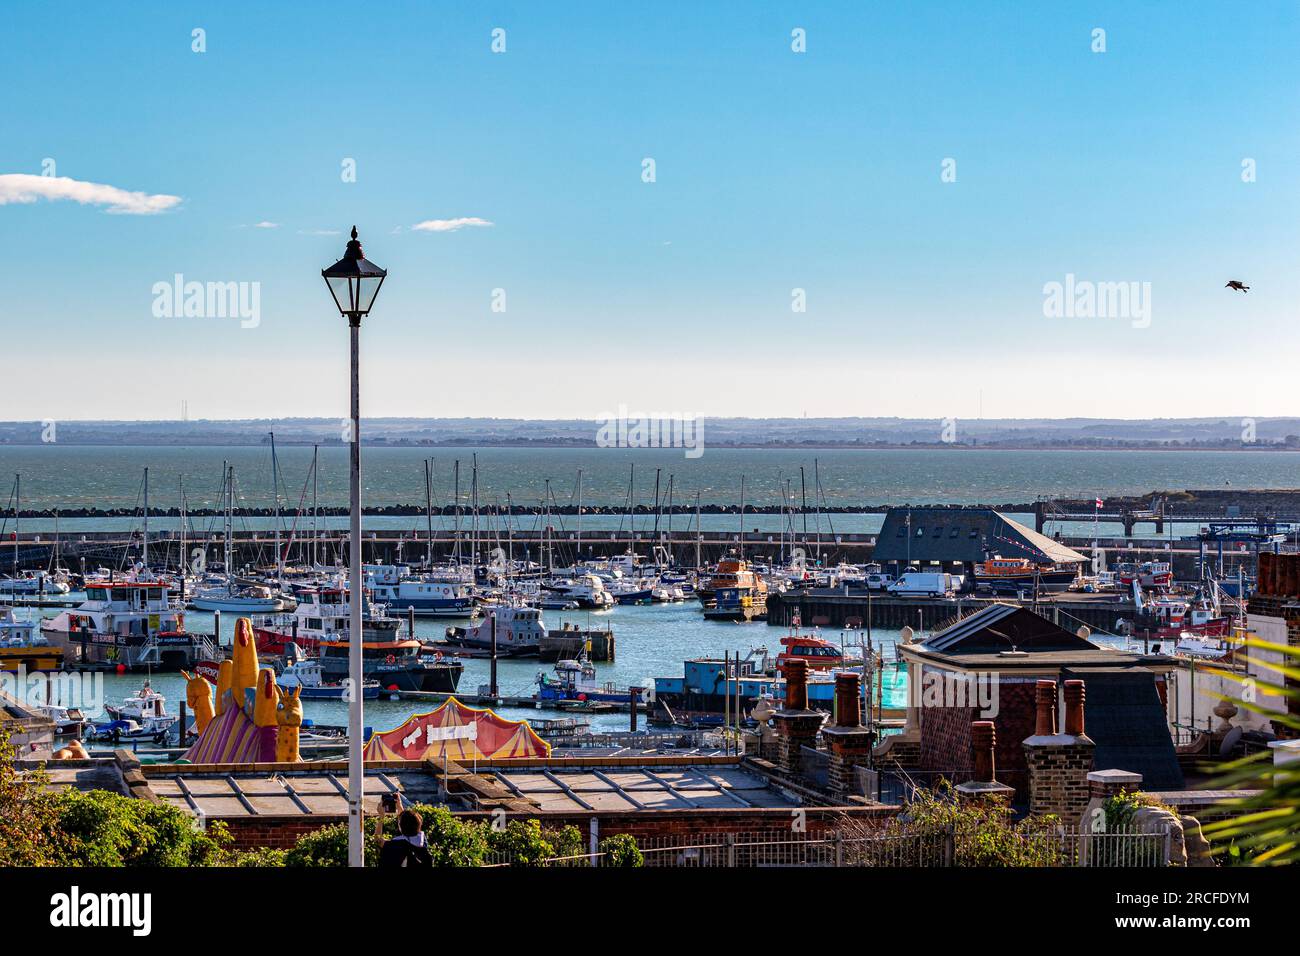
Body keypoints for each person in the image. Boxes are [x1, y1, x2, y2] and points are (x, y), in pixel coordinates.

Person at [374, 797, 432, 867]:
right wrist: (399, 806)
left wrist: (381, 816)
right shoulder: (422, 843)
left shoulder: (395, 845)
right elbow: (407, 826)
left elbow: (378, 839)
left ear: (400, 826)